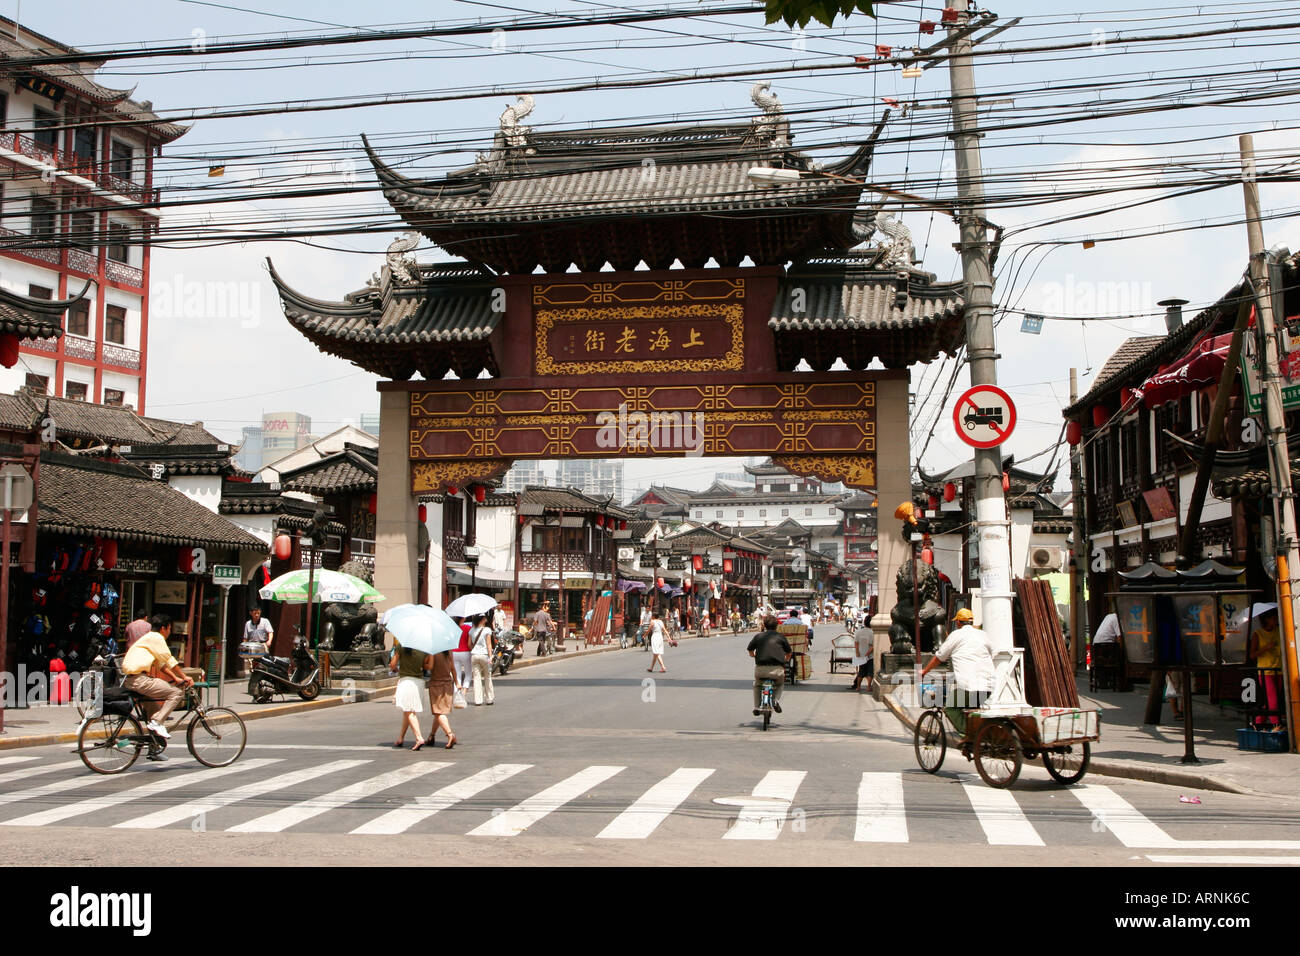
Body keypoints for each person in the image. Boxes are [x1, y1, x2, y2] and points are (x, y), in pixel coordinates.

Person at [119, 613, 193, 758]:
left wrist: (176, 678)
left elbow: (161, 664)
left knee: (154, 712)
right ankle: (157, 723)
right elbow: (169, 660)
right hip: (140, 680)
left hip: (133, 679)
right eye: (169, 628)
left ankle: (154, 749)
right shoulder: (156, 638)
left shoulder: (149, 638)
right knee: (176, 693)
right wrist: (184, 676)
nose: (170, 632)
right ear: (164, 628)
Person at [920, 607, 995, 734]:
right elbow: (992, 653)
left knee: (951, 707)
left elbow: (939, 657)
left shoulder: (956, 635)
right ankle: (979, 736)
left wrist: (924, 671)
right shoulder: (983, 634)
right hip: (988, 685)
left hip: (968, 686)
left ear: (959, 622)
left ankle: (968, 735)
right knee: (972, 708)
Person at [388, 640, 433, 750]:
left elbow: (392, 664)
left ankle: (419, 738)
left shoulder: (401, 646)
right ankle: (400, 738)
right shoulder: (424, 648)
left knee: (410, 712)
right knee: (407, 711)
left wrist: (396, 669)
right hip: (418, 682)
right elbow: (429, 666)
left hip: (406, 681)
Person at [747, 615, 792, 716]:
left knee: (757, 685)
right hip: (777, 670)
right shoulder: (781, 637)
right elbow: (789, 653)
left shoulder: (758, 636)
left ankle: (756, 707)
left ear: (764, 625)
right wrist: (785, 660)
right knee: (780, 684)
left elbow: (750, 650)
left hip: (761, 670)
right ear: (777, 626)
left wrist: (754, 656)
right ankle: (775, 700)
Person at [1249, 608, 1283, 730]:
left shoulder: (1280, 630)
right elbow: (1252, 655)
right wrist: (1266, 648)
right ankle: (1276, 725)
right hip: (1265, 671)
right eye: (1273, 618)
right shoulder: (1258, 634)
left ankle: (1257, 722)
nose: (1276, 621)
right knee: (1272, 701)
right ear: (1266, 620)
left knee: (1271, 701)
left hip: (1279, 669)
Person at [424, 647, 460, 749]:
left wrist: (424, 663)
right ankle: (432, 735)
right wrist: (457, 682)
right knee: (439, 712)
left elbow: (429, 666)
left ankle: (449, 734)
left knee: (439, 712)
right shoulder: (448, 651)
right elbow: (452, 667)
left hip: (436, 684)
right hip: (448, 684)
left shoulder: (433, 651)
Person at [469, 610, 496, 706]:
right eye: (484, 618)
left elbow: (469, 644)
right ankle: (489, 698)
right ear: (481, 620)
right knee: (487, 677)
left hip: (474, 655)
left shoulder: (471, 630)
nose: (486, 619)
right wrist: (491, 656)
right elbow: (489, 644)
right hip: (484, 655)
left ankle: (478, 700)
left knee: (476, 678)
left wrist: (475, 649)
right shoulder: (487, 630)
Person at [452, 616, 472, 690]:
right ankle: (464, 692)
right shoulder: (468, 627)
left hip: (454, 652)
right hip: (465, 652)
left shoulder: (453, 628)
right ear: (463, 618)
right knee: (468, 674)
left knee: (457, 676)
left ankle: (456, 693)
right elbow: (470, 642)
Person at [647, 609, 668, 674]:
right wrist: (669, 637)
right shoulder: (661, 622)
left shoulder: (652, 622)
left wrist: (644, 635)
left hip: (655, 637)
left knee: (656, 652)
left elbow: (649, 630)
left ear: (653, 616)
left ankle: (663, 667)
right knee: (655, 654)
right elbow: (664, 630)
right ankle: (651, 668)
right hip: (660, 637)